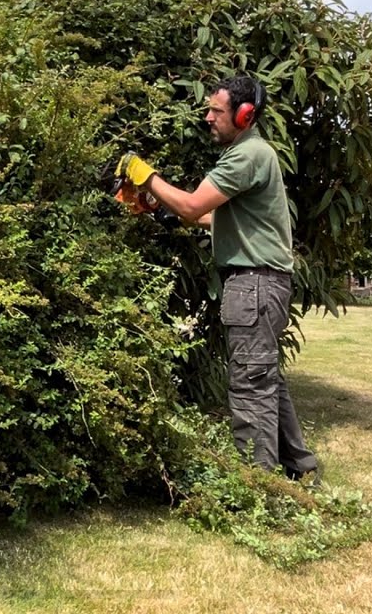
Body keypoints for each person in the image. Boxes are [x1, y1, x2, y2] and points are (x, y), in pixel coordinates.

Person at [115, 75, 319, 481]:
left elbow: (192, 206)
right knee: (263, 377)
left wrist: (144, 174)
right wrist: (159, 208)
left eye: (216, 111)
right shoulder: (254, 154)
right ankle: (300, 467)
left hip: (254, 284)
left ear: (245, 116)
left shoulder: (246, 156)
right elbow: (211, 217)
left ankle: (258, 486)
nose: (207, 117)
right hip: (263, 284)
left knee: (249, 386)